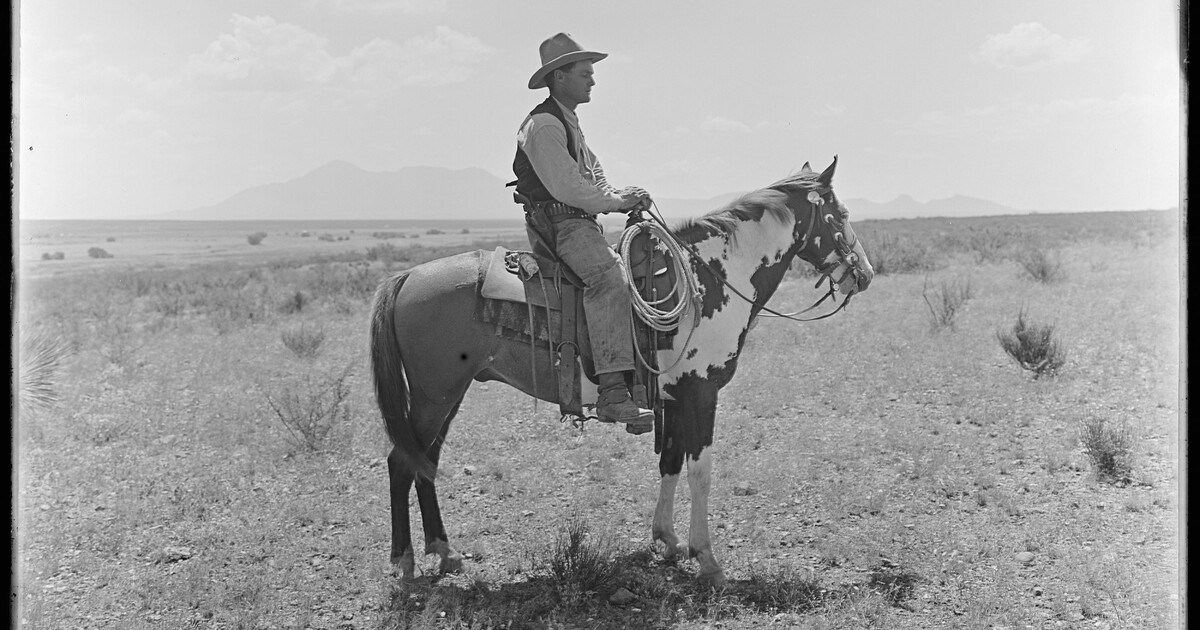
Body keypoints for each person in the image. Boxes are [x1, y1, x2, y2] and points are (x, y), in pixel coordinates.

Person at [510, 32, 654, 433]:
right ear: (559, 77)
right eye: (584, 73)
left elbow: (593, 174)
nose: (592, 81)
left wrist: (620, 195)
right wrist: (615, 203)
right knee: (608, 278)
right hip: (563, 225)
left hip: (579, 221)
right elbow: (569, 188)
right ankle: (612, 393)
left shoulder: (568, 121)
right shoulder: (543, 125)